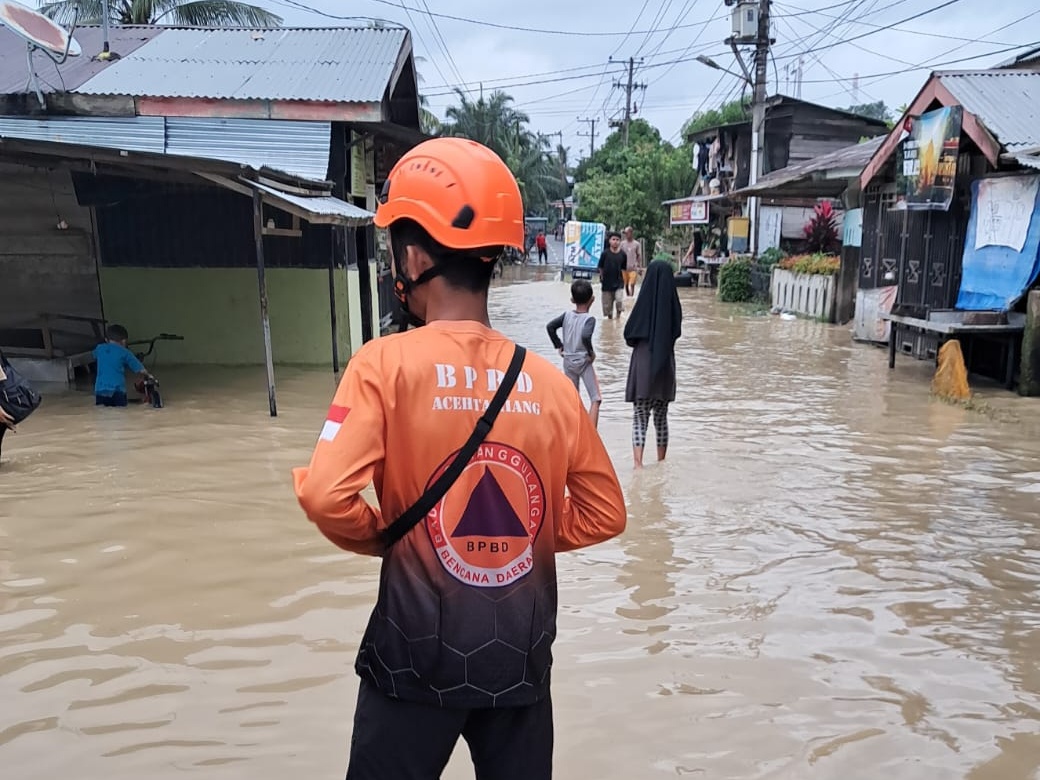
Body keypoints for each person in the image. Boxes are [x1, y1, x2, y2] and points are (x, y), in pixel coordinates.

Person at [292, 137, 626, 780]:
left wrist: (390, 537)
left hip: (411, 661)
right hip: (519, 669)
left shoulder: (383, 366)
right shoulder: (551, 385)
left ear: (413, 255)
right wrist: (520, 539)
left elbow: (324, 496)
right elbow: (607, 513)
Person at [624, 260, 682, 469]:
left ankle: (638, 464)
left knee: (640, 416)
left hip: (643, 363)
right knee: (661, 417)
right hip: (665, 364)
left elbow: (628, 334)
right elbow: (676, 332)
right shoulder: (674, 308)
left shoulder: (642, 306)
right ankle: (661, 461)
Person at [546, 279, 602, 427]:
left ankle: (572, 430)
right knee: (596, 399)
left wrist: (559, 345)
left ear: (572, 300)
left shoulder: (566, 316)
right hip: (584, 362)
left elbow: (550, 327)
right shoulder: (590, 319)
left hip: (568, 362)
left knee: (573, 398)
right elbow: (585, 336)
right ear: (592, 300)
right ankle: (591, 436)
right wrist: (591, 352)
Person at [94, 324, 154, 407]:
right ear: (124, 341)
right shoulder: (125, 352)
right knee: (121, 412)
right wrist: (149, 376)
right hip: (117, 391)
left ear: (106, 340)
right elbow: (140, 369)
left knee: (102, 411)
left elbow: (95, 355)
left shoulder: (99, 348)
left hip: (100, 390)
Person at [597, 231, 626, 320]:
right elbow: (600, 267)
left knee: (619, 300)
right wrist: (601, 277)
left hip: (619, 282)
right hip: (607, 283)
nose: (615, 241)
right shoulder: (605, 254)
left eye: (617, 240)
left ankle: (618, 317)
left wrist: (624, 280)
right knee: (607, 307)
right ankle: (610, 319)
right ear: (609, 241)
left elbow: (623, 269)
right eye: (613, 239)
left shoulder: (623, 254)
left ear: (620, 241)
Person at [620, 226, 643, 297]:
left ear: (631, 233)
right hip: (624, 267)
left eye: (627, 233)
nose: (626, 235)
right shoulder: (622, 244)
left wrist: (639, 265)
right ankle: (628, 295)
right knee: (626, 284)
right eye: (625, 233)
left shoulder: (636, 244)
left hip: (633, 267)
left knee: (632, 283)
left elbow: (638, 255)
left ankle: (631, 295)